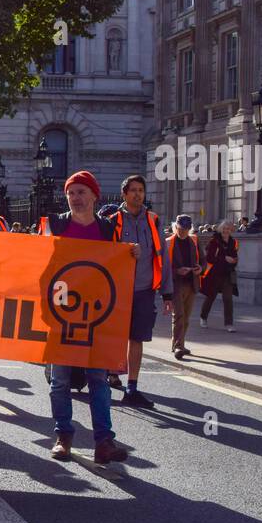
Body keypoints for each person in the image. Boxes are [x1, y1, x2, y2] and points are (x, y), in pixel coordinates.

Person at [37, 170, 135, 465]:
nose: (76, 198)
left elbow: (116, 268)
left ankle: (104, 441)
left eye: (81, 192)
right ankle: (63, 436)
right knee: (60, 380)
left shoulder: (107, 230)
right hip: (61, 311)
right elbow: (37, 262)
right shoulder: (54, 225)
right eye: (71, 193)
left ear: (94, 195)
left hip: (97, 314)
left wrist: (132, 255)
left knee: (99, 380)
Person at [106, 175, 171, 408]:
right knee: (115, 337)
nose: (137, 194)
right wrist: (124, 251)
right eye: (133, 190)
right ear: (124, 194)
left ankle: (132, 387)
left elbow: (162, 256)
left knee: (137, 338)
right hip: (117, 290)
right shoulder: (112, 220)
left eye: (141, 190)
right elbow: (102, 254)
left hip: (144, 289)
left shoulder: (153, 220)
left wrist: (167, 293)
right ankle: (109, 376)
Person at [167, 214, 201, 359]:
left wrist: (201, 268)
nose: (183, 232)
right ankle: (177, 347)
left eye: (186, 229)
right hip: (176, 284)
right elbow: (164, 266)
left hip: (191, 283)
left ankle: (181, 342)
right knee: (179, 315)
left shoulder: (193, 241)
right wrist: (177, 271)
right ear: (176, 227)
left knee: (186, 317)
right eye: (181, 229)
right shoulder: (169, 242)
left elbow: (204, 260)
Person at [199, 220, 239, 332]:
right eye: (225, 229)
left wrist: (234, 261)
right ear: (221, 229)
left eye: (229, 229)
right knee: (210, 297)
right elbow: (210, 258)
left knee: (228, 298)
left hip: (227, 274)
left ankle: (229, 324)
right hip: (215, 274)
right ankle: (203, 317)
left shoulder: (233, 242)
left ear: (231, 230)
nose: (226, 231)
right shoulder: (214, 241)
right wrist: (225, 259)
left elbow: (235, 257)